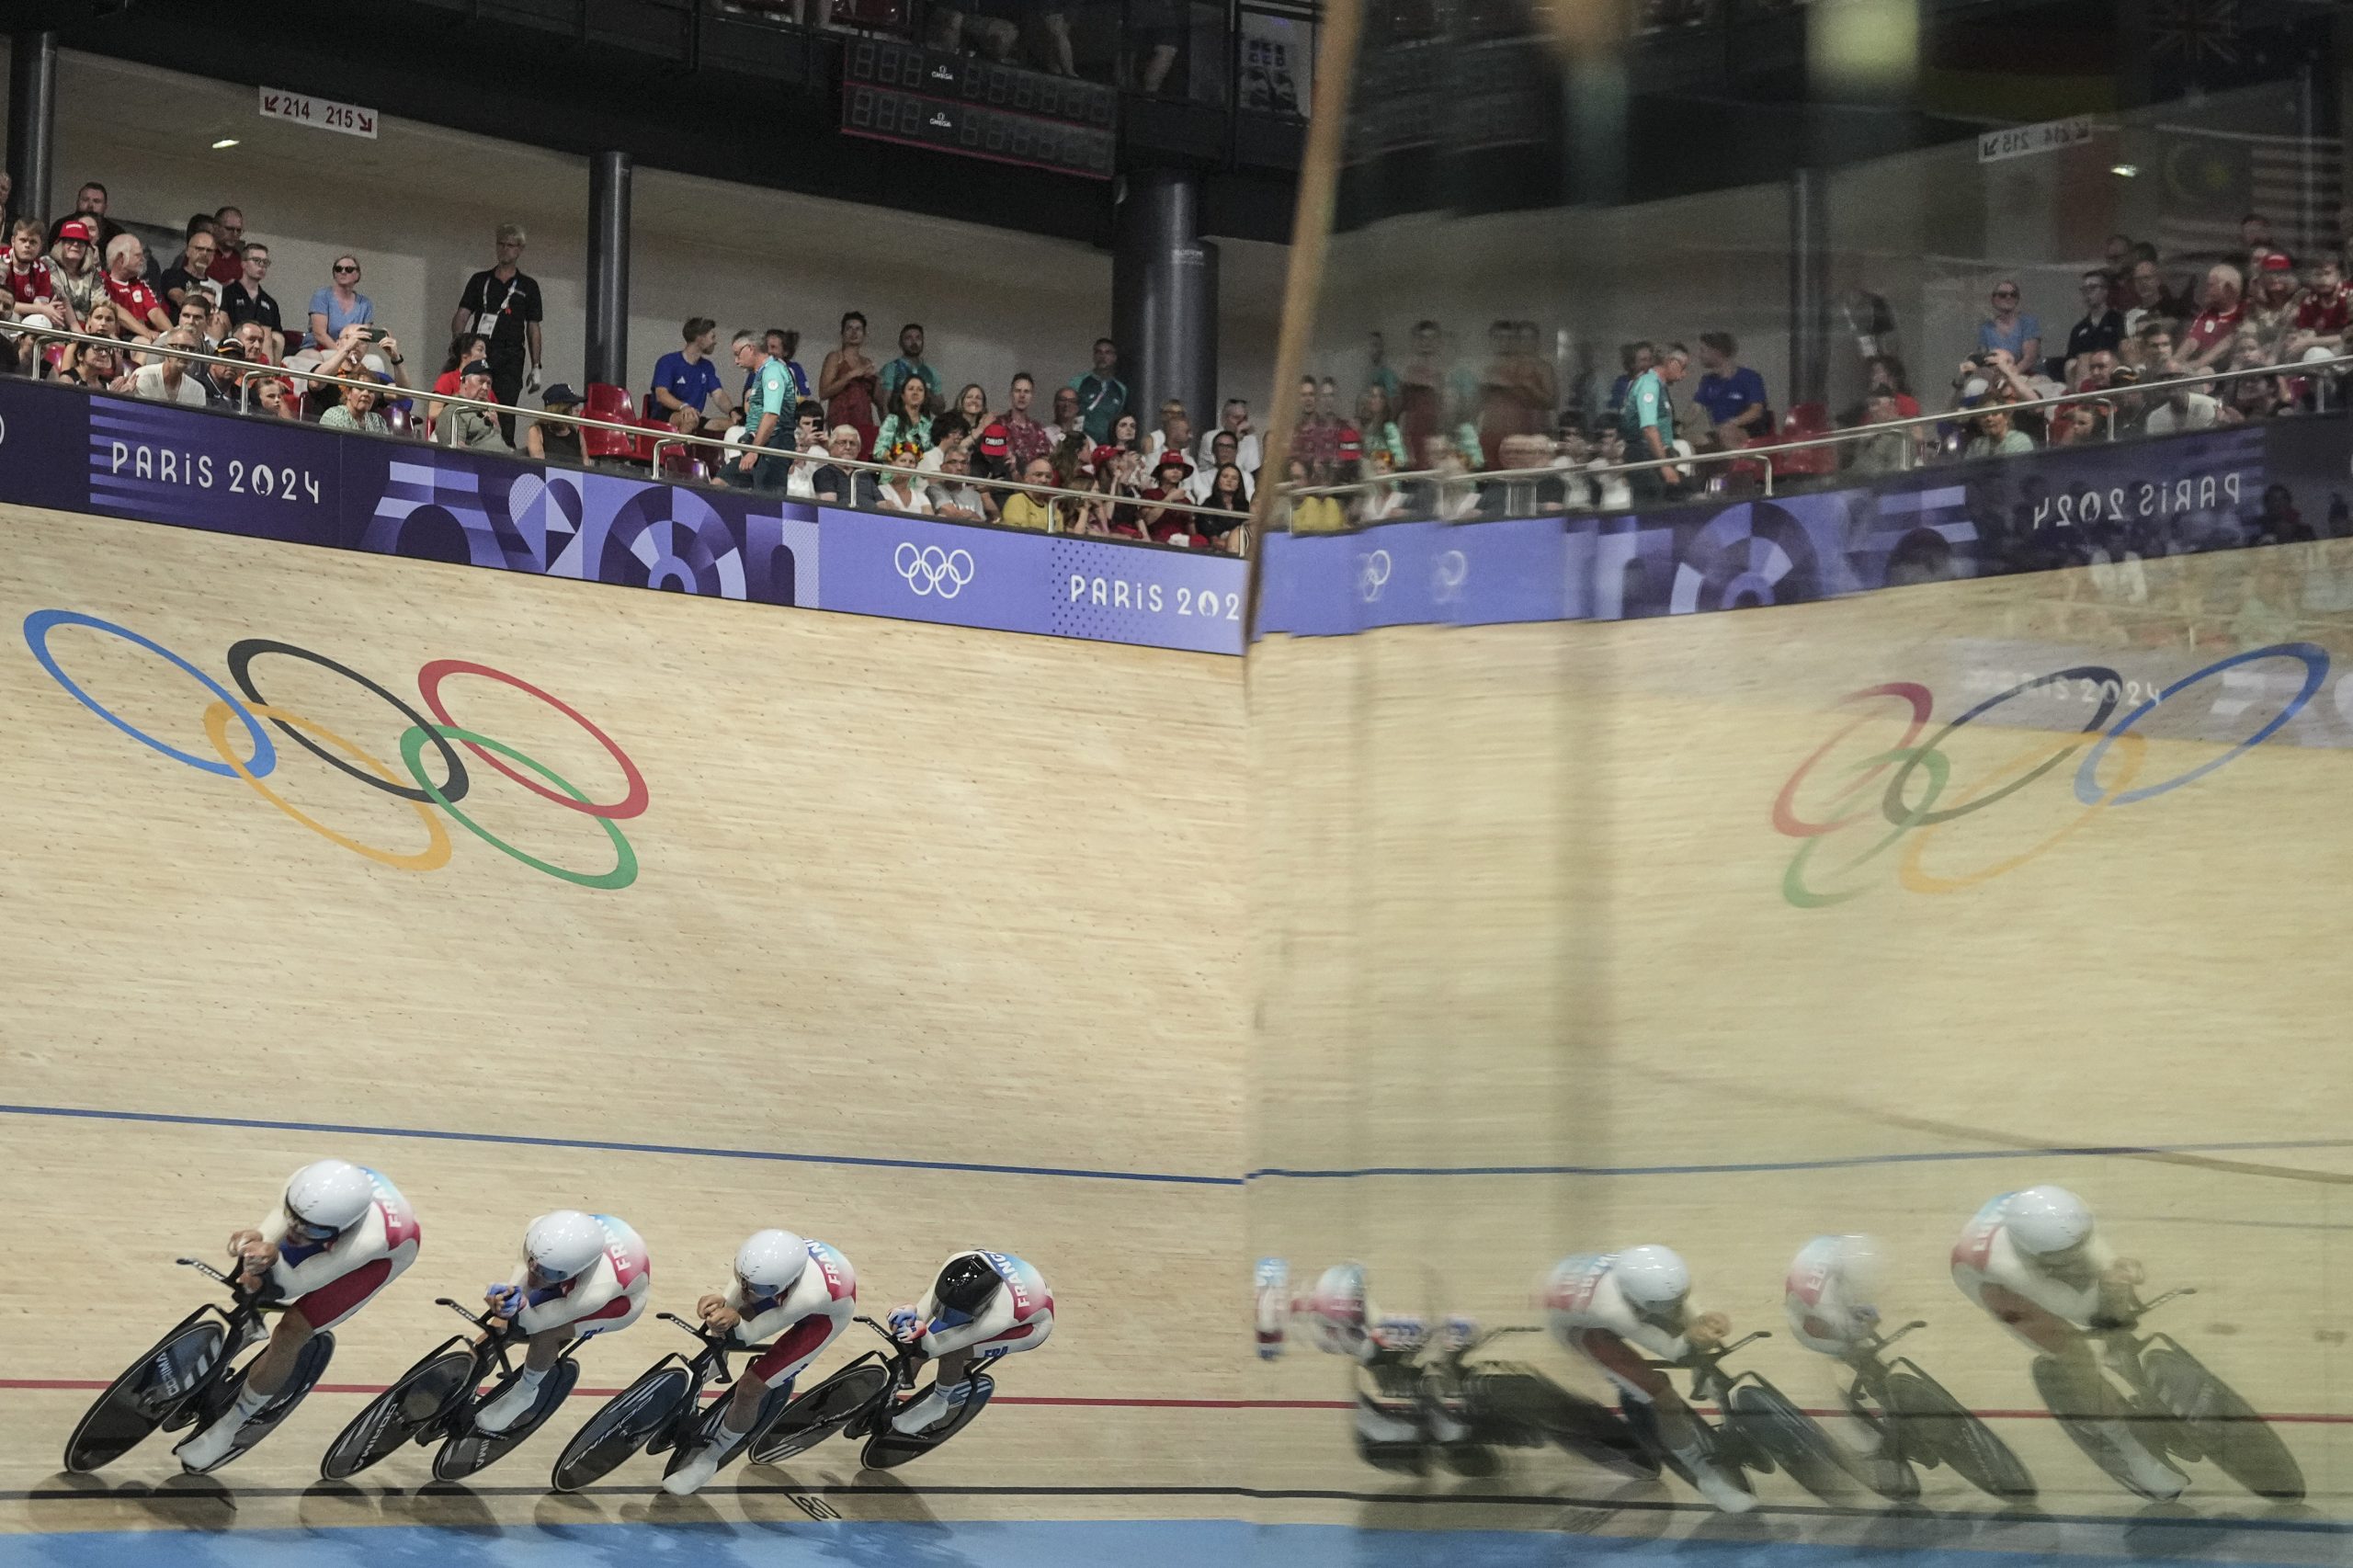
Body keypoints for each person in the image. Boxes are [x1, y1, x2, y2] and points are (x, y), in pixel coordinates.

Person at [172, 1161, 421, 1471]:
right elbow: (272, 1234)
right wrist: (252, 1243)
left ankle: (229, 1427)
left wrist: (272, 1260)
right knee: (253, 1278)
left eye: (311, 1230)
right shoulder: (302, 1193)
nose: (297, 1232)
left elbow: (297, 1284)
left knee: (292, 1330)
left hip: (380, 1258)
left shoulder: (367, 1240)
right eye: (295, 1219)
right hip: (327, 1219)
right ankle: (250, 1324)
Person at [1952, 1187, 2178, 1498]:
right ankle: (2130, 1450)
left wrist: (2117, 1281)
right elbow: (2079, 1310)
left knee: (2111, 1292)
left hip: (2035, 1236)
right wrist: (2111, 1299)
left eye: (2078, 1247)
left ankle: (2118, 1358)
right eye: (2063, 1258)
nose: (2074, 1260)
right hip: (1981, 1276)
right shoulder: (2010, 1269)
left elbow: (2103, 1263)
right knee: (2074, 1351)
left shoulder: (2069, 1222)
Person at [1546, 1246, 1748, 1512]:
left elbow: (1682, 1309)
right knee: (1665, 1400)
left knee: (1691, 1330)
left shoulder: (1653, 1275)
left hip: (1589, 1286)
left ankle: (1703, 1377)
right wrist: (1693, 1338)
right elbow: (1672, 1350)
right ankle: (1708, 1478)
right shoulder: (1612, 1310)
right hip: (1583, 1330)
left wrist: (1704, 1321)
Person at [661, 1229, 858, 1496]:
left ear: (786, 1283)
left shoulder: (809, 1296)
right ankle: (719, 1362)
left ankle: (710, 1459)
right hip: (784, 1285)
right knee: (732, 1314)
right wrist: (720, 1305)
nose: (748, 1291)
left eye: (759, 1289)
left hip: (824, 1317)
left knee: (751, 1387)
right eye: (742, 1280)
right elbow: (743, 1291)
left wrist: (734, 1321)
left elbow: (751, 1333)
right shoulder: (758, 1266)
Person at [472, 1210, 651, 1435]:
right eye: (533, 1263)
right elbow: (520, 1285)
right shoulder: (537, 1231)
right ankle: (468, 1371)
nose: (533, 1278)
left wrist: (521, 1306)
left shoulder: (597, 1290)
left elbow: (534, 1324)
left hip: (620, 1303)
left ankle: (525, 1393)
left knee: (547, 1333)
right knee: (502, 1321)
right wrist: (506, 1299)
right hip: (573, 1272)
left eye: (546, 1273)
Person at [885, 1251, 1054, 1436]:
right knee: (917, 1345)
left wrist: (920, 1332)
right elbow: (923, 1310)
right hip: (999, 1293)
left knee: (952, 1353)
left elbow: (933, 1349)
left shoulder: (999, 1318)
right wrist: (910, 1314)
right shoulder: (957, 1260)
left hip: (1029, 1326)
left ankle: (938, 1402)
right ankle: (890, 1393)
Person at [452, 223, 543, 437]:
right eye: (500, 244)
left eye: (510, 245)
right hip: (481, 350)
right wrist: (459, 348)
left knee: (505, 406)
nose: (504, 249)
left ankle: (504, 447)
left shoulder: (528, 287)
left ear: (519, 249)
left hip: (511, 355)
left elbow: (533, 327)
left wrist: (536, 365)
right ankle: (471, 437)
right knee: (475, 397)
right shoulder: (480, 280)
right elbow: (462, 316)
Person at [3, 217, 78, 368]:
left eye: (33, 242)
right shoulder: (1, 260)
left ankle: (41, 370)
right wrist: (43, 309)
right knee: (11, 316)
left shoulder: (42, 270)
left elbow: (40, 311)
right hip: (7, 317)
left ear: (40, 246)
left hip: (27, 320)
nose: (27, 246)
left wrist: (44, 310)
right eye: (23, 240)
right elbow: (3, 306)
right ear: (12, 241)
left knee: (45, 323)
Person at [1620, 344, 1689, 501]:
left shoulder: (1659, 386)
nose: (1684, 374)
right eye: (1683, 368)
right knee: (1654, 503)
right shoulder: (1649, 384)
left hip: (1657, 454)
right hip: (1644, 455)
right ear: (1672, 363)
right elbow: (1649, 428)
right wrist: (1664, 465)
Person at [650, 316, 731, 433]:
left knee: (731, 425)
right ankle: (676, 450)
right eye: (712, 337)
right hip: (665, 416)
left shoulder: (707, 366)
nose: (715, 341)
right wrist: (684, 407)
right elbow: (661, 395)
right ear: (700, 338)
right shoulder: (668, 362)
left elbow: (718, 395)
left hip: (694, 416)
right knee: (690, 419)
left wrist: (733, 412)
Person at [819, 311, 881, 459]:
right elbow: (824, 392)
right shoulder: (835, 357)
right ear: (842, 332)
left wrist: (877, 380)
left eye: (858, 329)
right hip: (841, 418)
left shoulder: (867, 362)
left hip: (864, 420)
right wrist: (850, 375)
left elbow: (877, 399)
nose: (854, 333)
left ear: (864, 334)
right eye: (849, 328)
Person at [1690, 332, 1768, 444]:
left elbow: (1756, 410)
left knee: (1727, 434)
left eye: (1703, 350)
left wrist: (1733, 423)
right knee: (1691, 441)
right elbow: (1695, 409)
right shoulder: (1707, 381)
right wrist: (1679, 426)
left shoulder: (1749, 378)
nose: (1699, 355)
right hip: (1720, 431)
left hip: (1748, 431)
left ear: (1716, 352)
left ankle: (1739, 461)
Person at [219, 241, 283, 359]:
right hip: (235, 348)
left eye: (265, 262)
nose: (262, 265)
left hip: (261, 353)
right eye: (256, 260)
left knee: (273, 336)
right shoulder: (228, 293)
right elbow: (224, 324)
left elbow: (277, 334)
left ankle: (267, 375)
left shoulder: (270, 302)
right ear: (243, 264)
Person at [101, 235, 171, 342]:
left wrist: (174, 334)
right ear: (121, 257)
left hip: (144, 337)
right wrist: (147, 333)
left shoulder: (139, 285)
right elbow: (117, 311)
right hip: (119, 339)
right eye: (138, 255)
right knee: (145, 343)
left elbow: (155, 312)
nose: (143, 260)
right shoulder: (103, 282)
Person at [2060, 269, 2126, 382]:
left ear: (2105, 291)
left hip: (2111, 368)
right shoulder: (2079, 328)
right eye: (2084, 289)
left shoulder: (2118, 320)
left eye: (2093, 288)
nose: (2088, 293)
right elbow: (2071, 357)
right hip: (2086, 372)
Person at [1067, 337, 1129, 445]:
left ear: (1114, 357)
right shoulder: (1078, 382)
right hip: (1082, 445)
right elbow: (1070, 413)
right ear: (1094, 356)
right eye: (1098, 352)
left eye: (1108, 353)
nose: (1102, 356)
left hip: (1108, 447)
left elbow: (1119, 421)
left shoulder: (1121, 389)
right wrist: (1076, 439)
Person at [130, 328, 210, 408]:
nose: (187, 353)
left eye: (192, 349)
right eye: (181, 347)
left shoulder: (197, 390)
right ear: (167, 349)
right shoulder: (144, 377)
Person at [307, 255, 373, 352]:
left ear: (357, 275)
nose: (343, 272)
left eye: (349, 269)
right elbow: (319, 334)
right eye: (338, 269)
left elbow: (364, 338)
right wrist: (342, 354)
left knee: (376, 362)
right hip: (318, 350)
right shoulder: (322, 296)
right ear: (334, 274)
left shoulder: (365, 304)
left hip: (351, 354)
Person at [155, 222, 221, 318]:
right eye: (199, 249)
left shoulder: (218, 287)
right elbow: (179, 297)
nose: (204, 254)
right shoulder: (171, 275)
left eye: (209, 250)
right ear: (187, 251)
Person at [438, 360, 508, 449]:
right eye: (481, 381)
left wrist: (497, 427)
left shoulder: (490, 414)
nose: (485, 388)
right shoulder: (454, 411)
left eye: (489, 383)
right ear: (464, 382)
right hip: (482, 461)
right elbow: (454, 452)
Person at [47, 217, 104, 324]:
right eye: (70, 240)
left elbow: (101, 304)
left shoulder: (92, 272)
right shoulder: (48, 263)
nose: (76, 244)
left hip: (88, 329)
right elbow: (60, 296)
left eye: (81, 242)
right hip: (56, 328)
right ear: (60, 244)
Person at [1977, 280, 2041, 370]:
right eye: (2002, 295)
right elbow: (1983, 359)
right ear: (1994, 299)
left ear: (2017, 299)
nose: (2008, 297)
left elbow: (2030, 358)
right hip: (1996, 375)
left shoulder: (2028, 322)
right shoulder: (1986, 328)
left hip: (2027, 376)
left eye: (2013, 294)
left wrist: (2010, 376)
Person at [877, 322, 941, 412]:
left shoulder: (930, 371)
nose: (914, 342)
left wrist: (927, 394)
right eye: (908, 338)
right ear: (900, 343)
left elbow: (940, 410)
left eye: (918, 338)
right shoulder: (891, 368)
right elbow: (883, 405)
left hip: (924, 424)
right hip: (897, 423)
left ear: (923, 342)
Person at [873, 375, 935, 467]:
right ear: (903, 396)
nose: (915, 393)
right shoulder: (892, 420)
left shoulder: (928, 425)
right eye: (911, 389)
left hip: (920, 474)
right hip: (895, 474)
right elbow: (878, 452)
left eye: (920, 390)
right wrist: (902, 457)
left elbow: (932, 455)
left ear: (924, 397)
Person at [527, 382, 587, 464]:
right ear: (560, 409)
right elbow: (539, 466)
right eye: (572, 405)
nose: (578, 410)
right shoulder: (537, 432)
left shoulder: (578, 435)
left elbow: (586, 469)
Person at [1197, 398, 1259, 475]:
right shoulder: (1210, 437)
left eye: (1245, 418)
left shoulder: (1251, 439)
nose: (1242, 422)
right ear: (1224, 419)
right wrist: (1236, 440)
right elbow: (1224, 467)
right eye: (1237, 417)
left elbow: (1252, 471)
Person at [1000, 456, 1062, 531]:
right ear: (1026, 478)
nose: (1044, 480)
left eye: (1048, 477)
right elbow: (1016, 536)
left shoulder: (1055, 512)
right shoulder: (1017, 500)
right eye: (1038, 475)